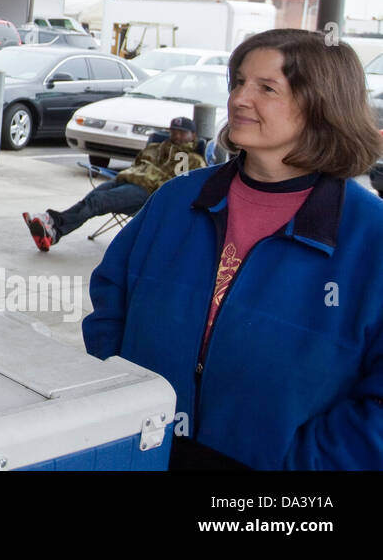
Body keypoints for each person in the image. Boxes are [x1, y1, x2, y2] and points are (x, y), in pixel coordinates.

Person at [84, 29, 383, 469]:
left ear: (322, 104)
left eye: (266, 88)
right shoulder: (176, 199)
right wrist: (123, 401)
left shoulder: (370, 237)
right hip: (146, 451)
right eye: (238, 82)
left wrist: (296, 462)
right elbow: (110, 303)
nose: (240, 99)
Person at [24, 117, 205, 250]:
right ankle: (54, 230)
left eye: (182, 132)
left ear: (193, 135)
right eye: (174, 131)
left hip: (147, 192)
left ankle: (54, 224)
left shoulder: (193, 160)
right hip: (124, 179)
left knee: (97, 201)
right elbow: (137, 165)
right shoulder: (155, 148)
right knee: (93, 197)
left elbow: (186, 189)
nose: (177, 136)